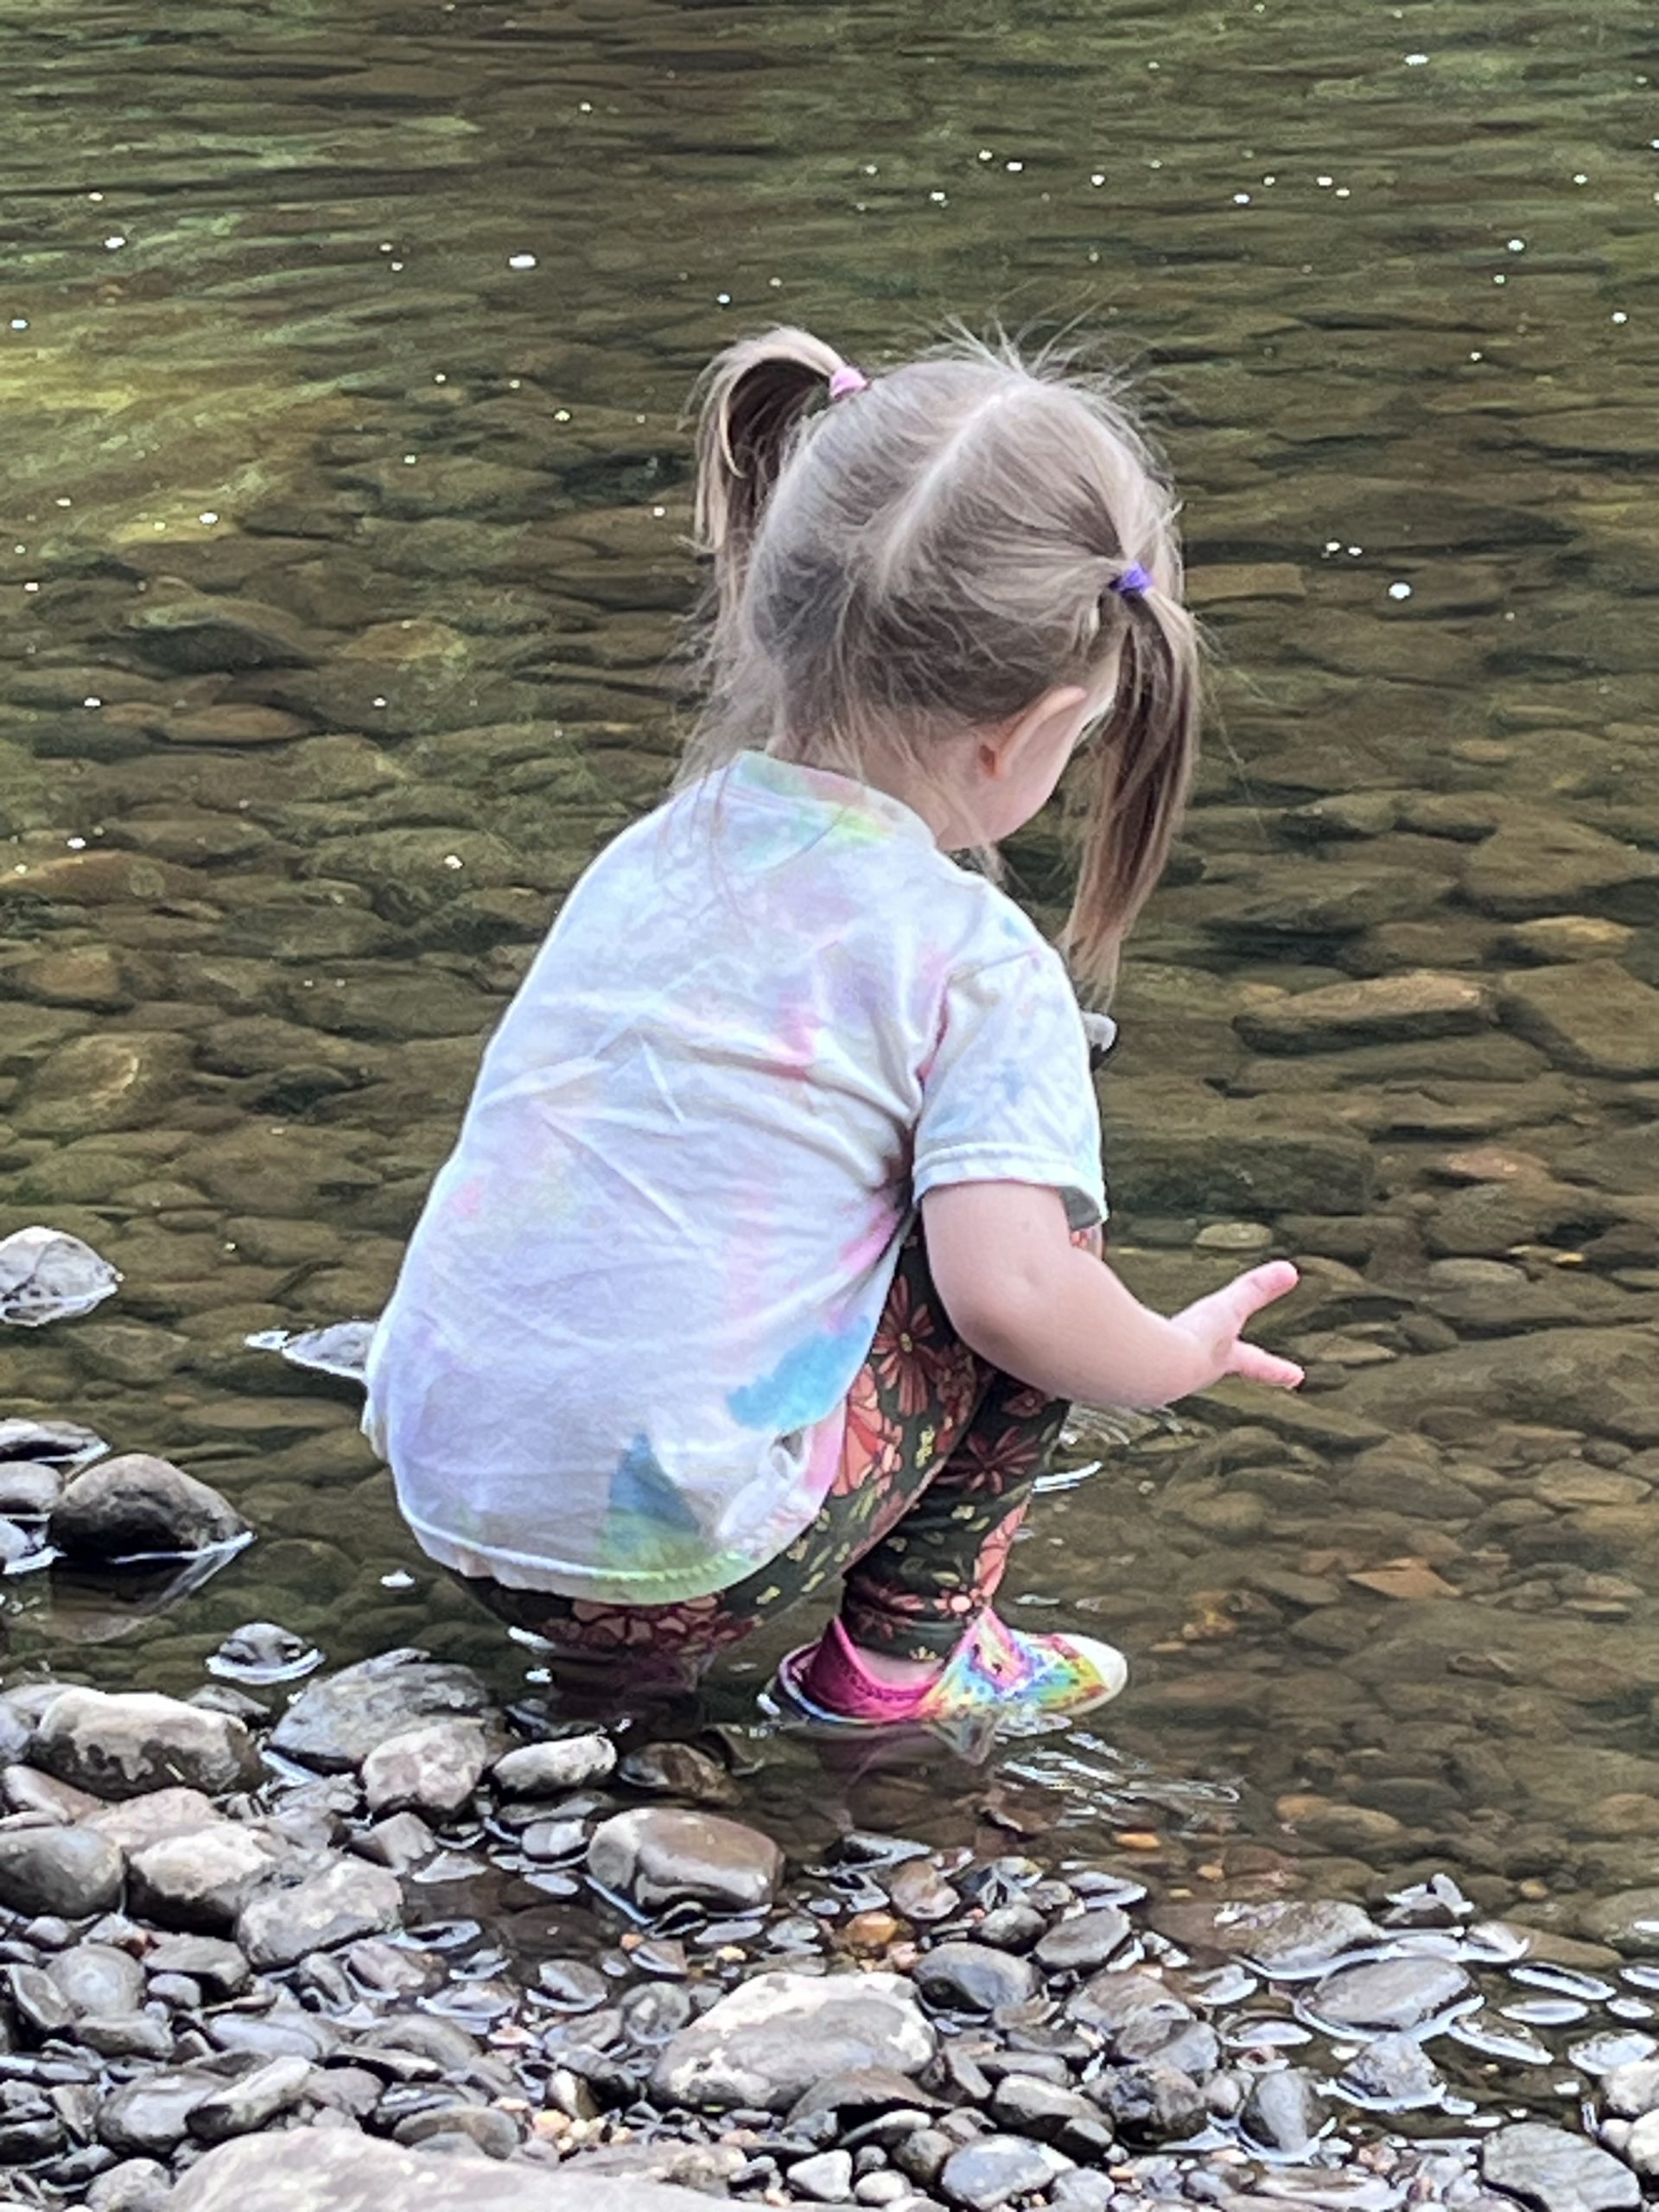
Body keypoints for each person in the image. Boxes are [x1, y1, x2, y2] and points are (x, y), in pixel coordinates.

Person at [363, 327, 1303, 1737]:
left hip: (452, 1493)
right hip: (696, 1553)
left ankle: (619, 1684)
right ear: (1030, 731)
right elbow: (1012, 1303)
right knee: (1041, 1249)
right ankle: (901, 1663)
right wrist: (1174, 1358)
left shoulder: (650, 856)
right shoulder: (977, 958)